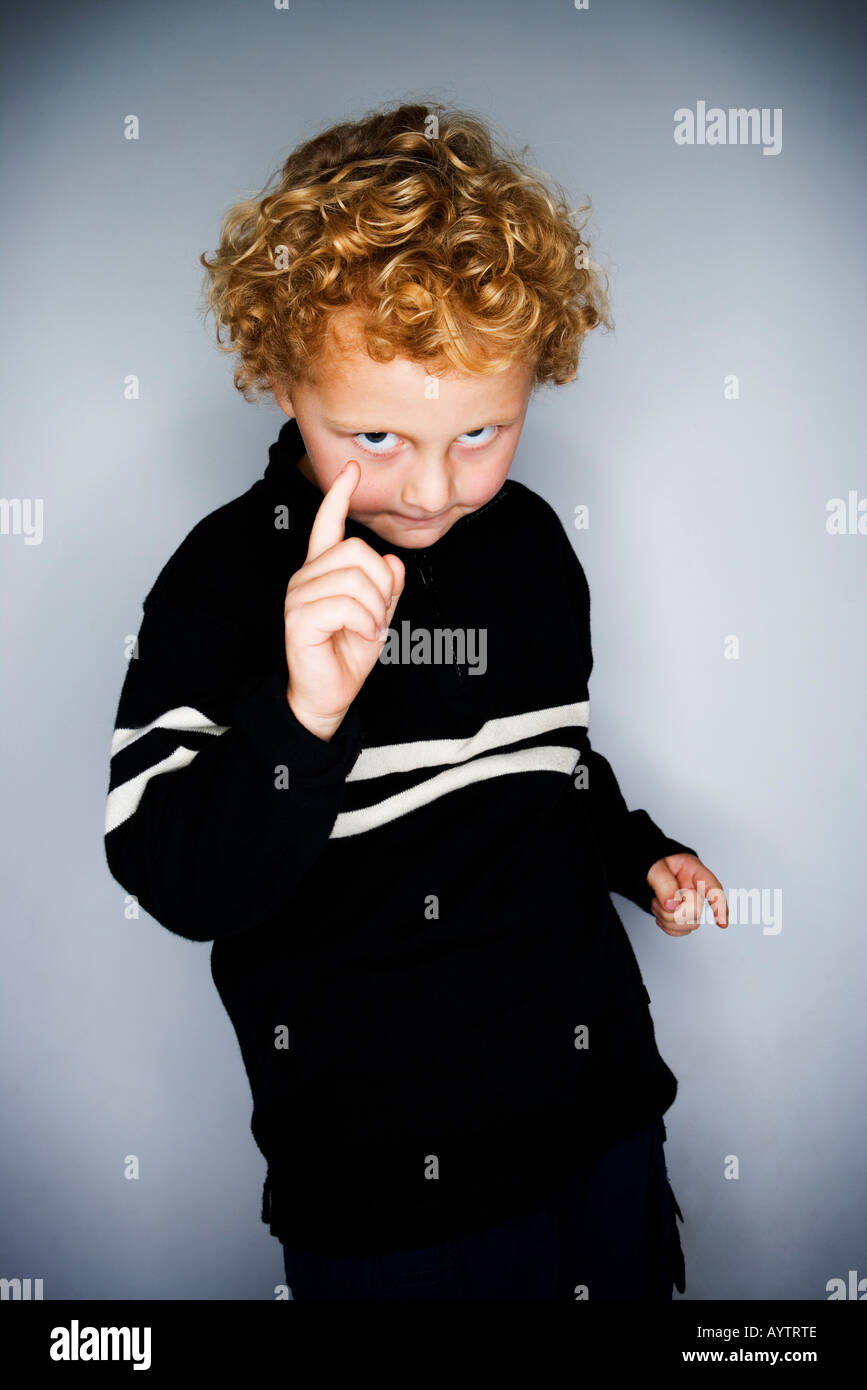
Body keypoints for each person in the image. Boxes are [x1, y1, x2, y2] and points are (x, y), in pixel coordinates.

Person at [103, 99, 728, 1301]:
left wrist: (642, 854)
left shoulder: (535, 544)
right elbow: (177, 881)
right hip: (386, 1187)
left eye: (483, 430)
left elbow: (550, 768)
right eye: (376, 434)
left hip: (599, 1125)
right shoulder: (222, 583)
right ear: (282, 376)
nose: (435, 488)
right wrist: (303, 718)